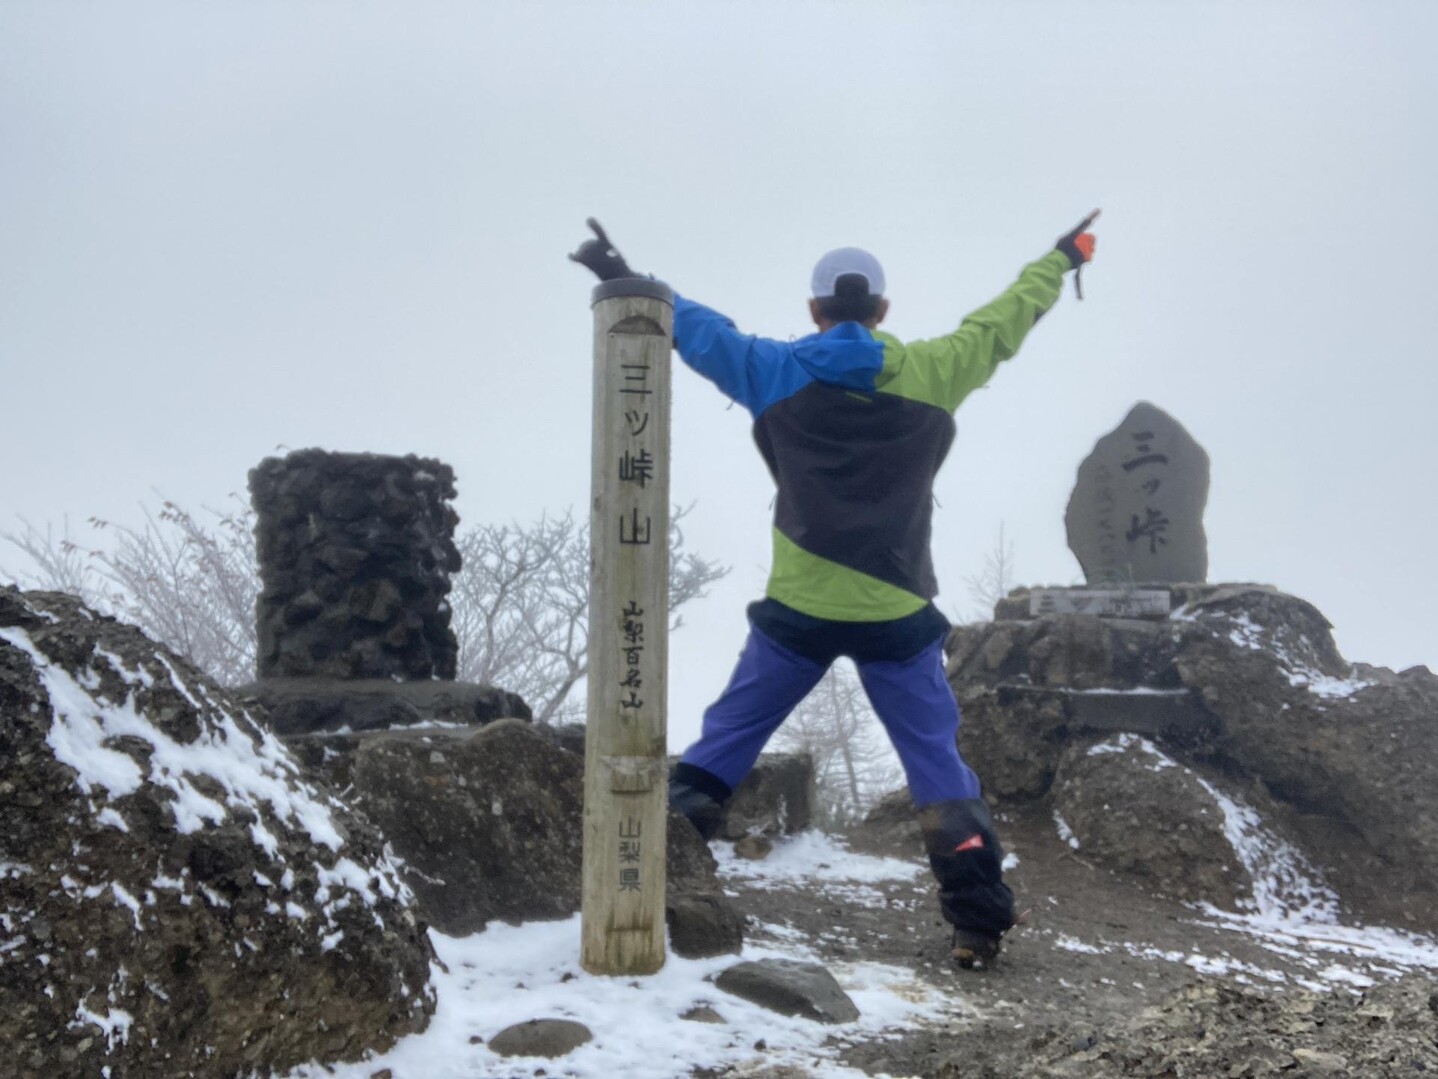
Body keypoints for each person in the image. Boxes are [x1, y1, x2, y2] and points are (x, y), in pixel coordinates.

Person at [570, 215, 1098, 967]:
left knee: (723, 744)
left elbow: (694, 328)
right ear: (882, 310)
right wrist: (1062, 256)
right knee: (939, 771)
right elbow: (1005, 318)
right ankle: (977, 925)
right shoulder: (935, 370)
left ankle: (651, 875)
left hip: (799, 610)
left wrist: (621, 272)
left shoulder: (773, 369)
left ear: (816, 310)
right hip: (898, 611)